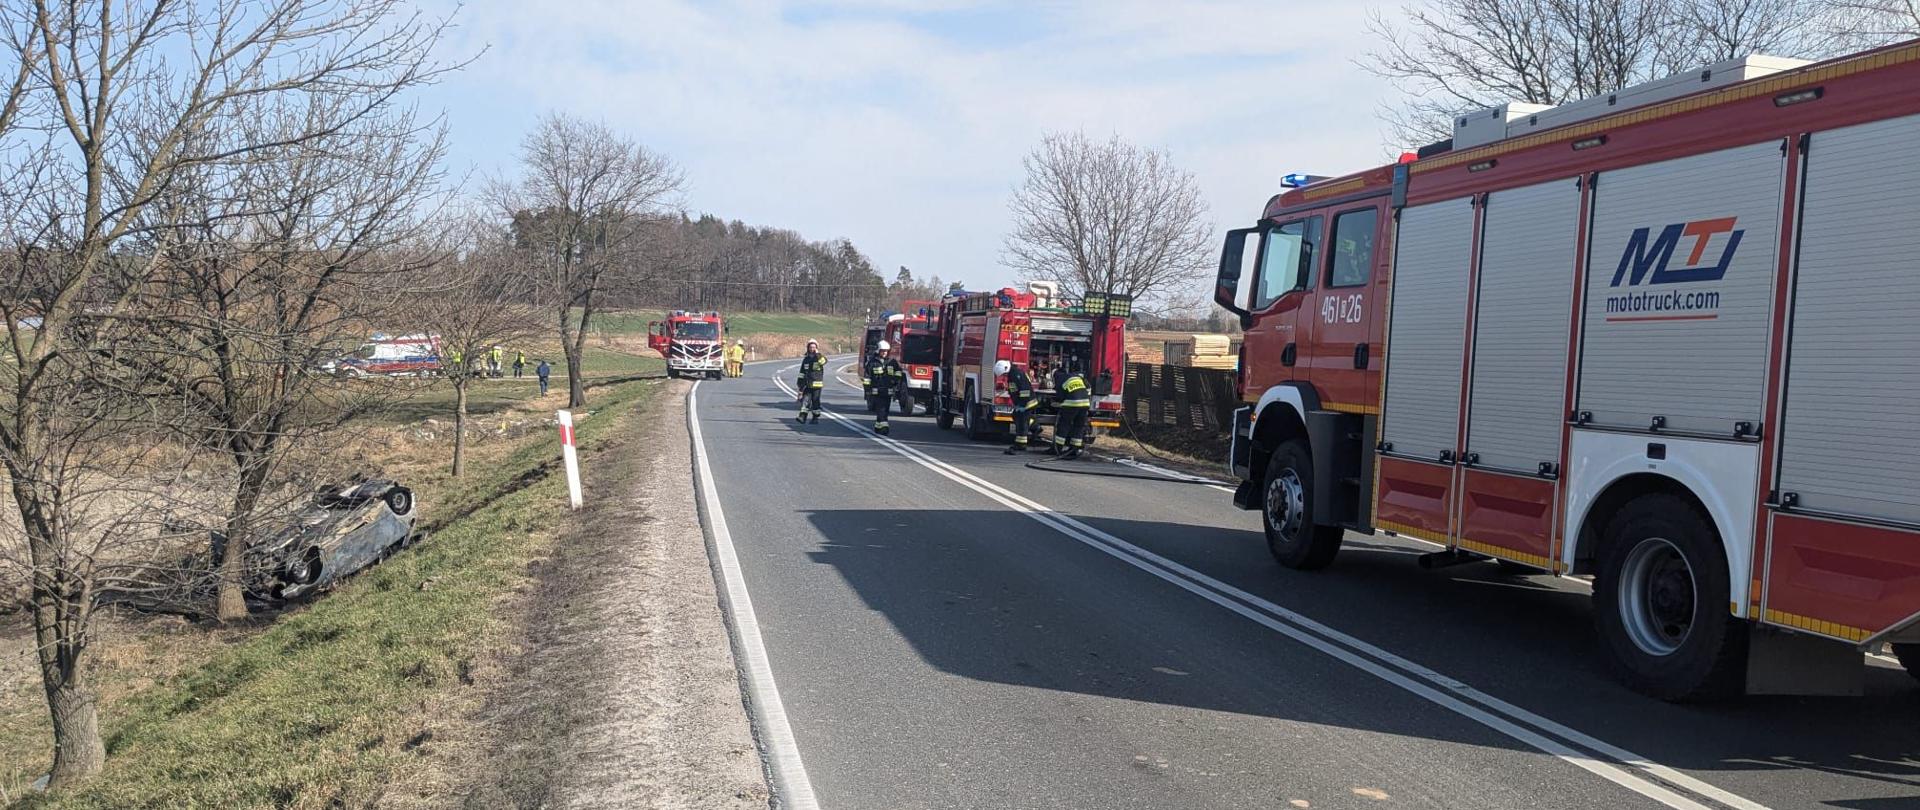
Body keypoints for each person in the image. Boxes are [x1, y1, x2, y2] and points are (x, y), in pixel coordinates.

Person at [1047, 364, 1091, 459]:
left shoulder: (1059, 379)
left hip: (1072, 404)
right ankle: (1074, 449)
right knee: (1078, 426)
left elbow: (1060, 397)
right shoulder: (1076, 376)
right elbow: (1088, 387)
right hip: (1085, 403)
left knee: (1064, 425)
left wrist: (1056, 403)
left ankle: (1057, 448)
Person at [997, 359, 1039, 455]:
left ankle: (1021, 444)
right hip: (1022, 403)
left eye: (1004, 374)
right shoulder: (1012, 374)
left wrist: (1022, 405)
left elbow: (1024, 390)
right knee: (1016, 416)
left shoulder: (1016, 374)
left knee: (1022, 422)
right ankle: (1035, 427)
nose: (1004, 376)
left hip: (1027, 402)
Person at [864, 340, 904, 435]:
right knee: (881, 409)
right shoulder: (872, 363)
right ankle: (884, 427)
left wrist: (895, 381)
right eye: (883, 351)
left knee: (885, 409)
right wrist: (868, 390)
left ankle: (878, 426)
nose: (885, 353)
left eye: (886, 351)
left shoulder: (892, 362)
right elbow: (867, 377)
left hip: (888, 390)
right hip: (876, 391)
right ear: (878, 350)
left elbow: (898, 372)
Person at [795, 339, 826, 423]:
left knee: (815, 401)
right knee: (805, 401)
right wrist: (800, 384)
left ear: (816, 348)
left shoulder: (819, 357)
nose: (812, 349)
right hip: (807, 384)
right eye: (810, 347)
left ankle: (815, 418)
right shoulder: (806, 359)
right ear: (808, 348)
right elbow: (802, 372)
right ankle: (802, 417)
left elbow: (823, 362)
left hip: (817, 385)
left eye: (814, 347)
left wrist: (817, 354)